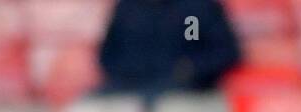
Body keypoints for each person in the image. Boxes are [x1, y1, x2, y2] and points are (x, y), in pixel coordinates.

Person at [99, 0, 240, 99]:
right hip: (131, 92)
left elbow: (226, 53)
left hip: (189, 93)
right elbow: (108, 56)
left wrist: (190, 69)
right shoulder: (127, 8)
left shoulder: (198, 7)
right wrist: (130, 74)